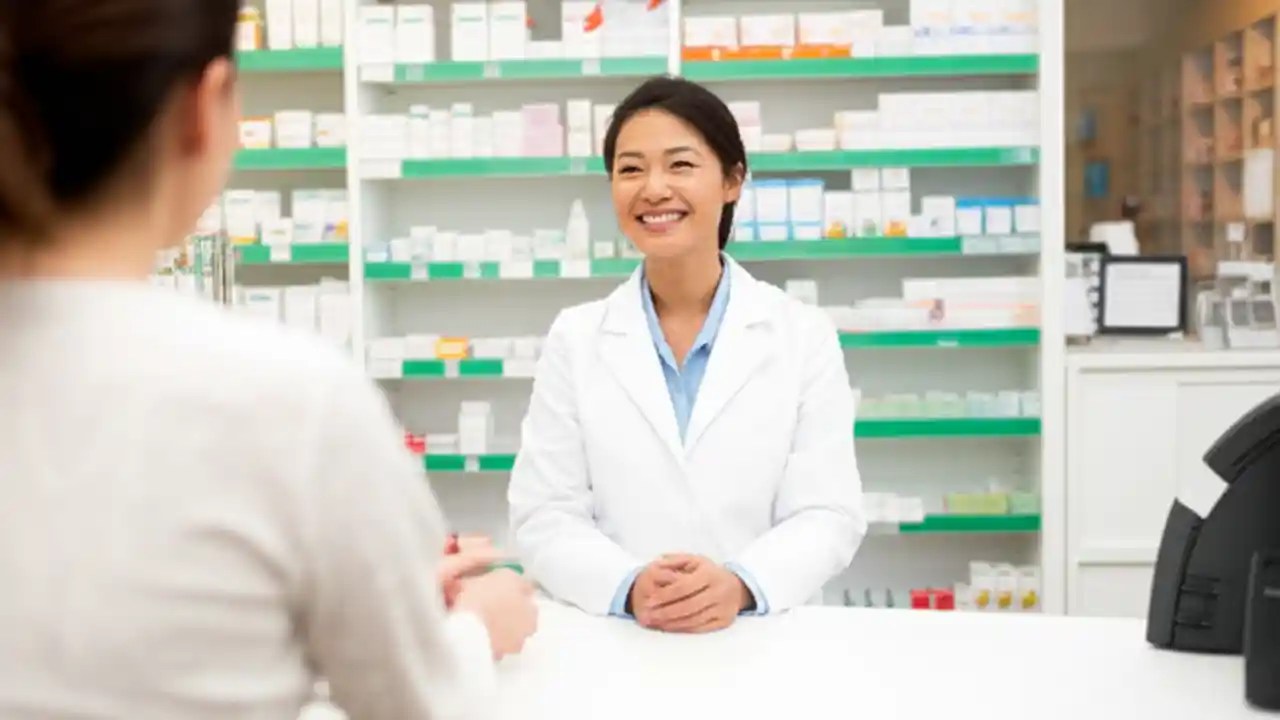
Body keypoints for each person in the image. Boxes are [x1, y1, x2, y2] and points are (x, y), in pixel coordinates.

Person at [0, 2, 536, 718]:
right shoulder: (293, 401)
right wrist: (474, 630)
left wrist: (342, 596)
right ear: (205, 106)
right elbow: (415, 706)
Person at [508, 76, 866, 633]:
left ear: (732, 181)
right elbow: (543, 513)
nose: (653, 189)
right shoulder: (575, 338)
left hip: (758, 639)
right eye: (631, 169)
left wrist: (741, 584)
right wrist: (629, 586)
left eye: (680, 165)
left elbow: (829, 513)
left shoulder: (802, 334)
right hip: (620, 638)